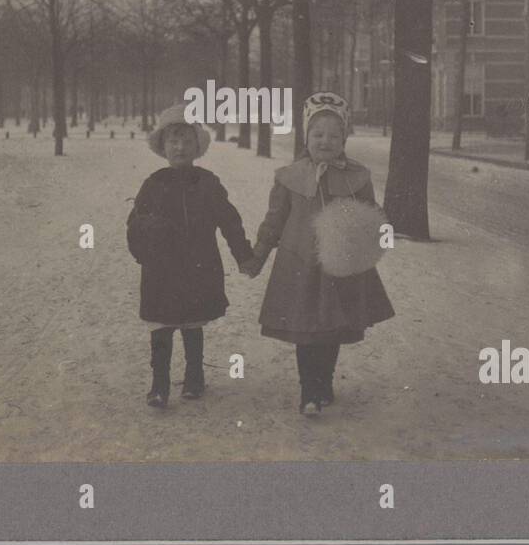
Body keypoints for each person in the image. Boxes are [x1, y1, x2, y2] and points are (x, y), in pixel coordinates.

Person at [243, 92, 394, 414]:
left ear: (344, 139)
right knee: (306, 329)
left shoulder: (356, 177)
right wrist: (257, 255)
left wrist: (377, 234)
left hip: (340, 266)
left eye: (334, 135)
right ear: (306, 136)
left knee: (332, 327)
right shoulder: (289, 177)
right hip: (299, 265)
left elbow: (371, 213)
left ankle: (324, 383)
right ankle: (308, 390)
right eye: (318, 134)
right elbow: (274, 220)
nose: (325, 141)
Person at [127, 104, 257, 408]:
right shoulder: (153, 184)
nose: (180, 147)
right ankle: (159, 385)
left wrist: (244, 255)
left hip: (198, 267)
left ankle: (194, 377)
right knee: (161, 326)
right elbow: (134, 224)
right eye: (173, 141)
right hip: (161, 270)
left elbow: (229, 221)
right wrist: (143, 250)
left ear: (197, 147)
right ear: (163, 147)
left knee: (192, 323)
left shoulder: (208, 183)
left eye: (186, 141)